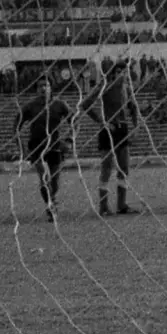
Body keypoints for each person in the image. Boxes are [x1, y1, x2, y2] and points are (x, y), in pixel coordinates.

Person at [83, 59, 141, 216]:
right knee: (107, 168)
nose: (123, 75)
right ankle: (103, 207)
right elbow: (85, 103)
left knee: (124, 168)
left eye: (125, 72)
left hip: (122, 129)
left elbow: (133, 107)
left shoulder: (126, 89)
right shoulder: (104, 86)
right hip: (108, 130)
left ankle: (121, 205)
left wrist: (136, 126)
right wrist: (102, 122)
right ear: (114, 73)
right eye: (120, 72)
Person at [17, 76, 75, 222]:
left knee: (55, 181)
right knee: (44, 178)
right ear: (37, 89)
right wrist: (21, 148)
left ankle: (52, 199)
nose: (43, 88)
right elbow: (15, 125)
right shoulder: (30, 106)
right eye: (40, 86)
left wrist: (70, 140)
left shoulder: (59, 104)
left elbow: (74, 121)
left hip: (55, 145)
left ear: (51, 88)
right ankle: (50, 206)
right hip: (36, 147)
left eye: (46, 85)